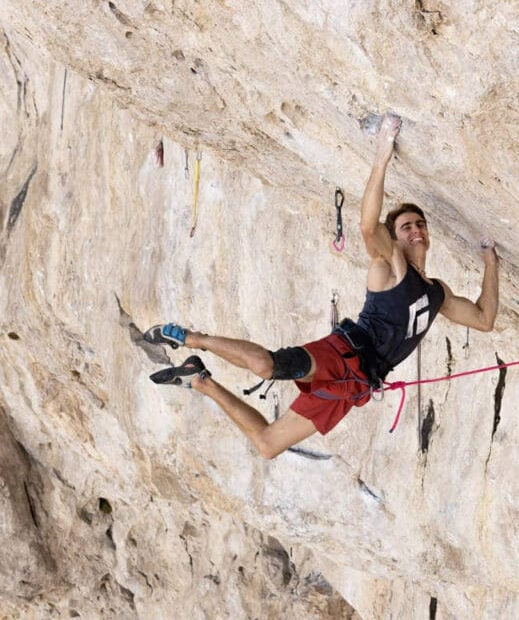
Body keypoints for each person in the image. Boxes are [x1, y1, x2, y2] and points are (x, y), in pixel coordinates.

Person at [144, 114, 499, 459]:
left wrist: (490, 263)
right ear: (394, 238)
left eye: (420, 224)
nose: (416, 230)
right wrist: (381, 158)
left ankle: (199, 379)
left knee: (268, 445)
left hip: (356, 384)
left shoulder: (439, 292)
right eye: (406, 226)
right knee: (266, 366)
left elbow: (484, 319)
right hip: (341, 354)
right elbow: (366, 226)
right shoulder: (390, 264)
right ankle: (192, 338)